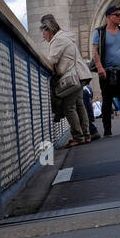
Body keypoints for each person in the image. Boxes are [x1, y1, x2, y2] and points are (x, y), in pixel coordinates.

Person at [40, 14, 93, 147]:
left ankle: (78, 137)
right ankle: (86, 135)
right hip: (79, 75)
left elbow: (52, 60)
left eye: (43, 33)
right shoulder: (65, 37)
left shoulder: (58, 40)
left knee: (69, 107)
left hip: (72, 78)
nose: (43, 37)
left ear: (49, 30)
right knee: (79, 106)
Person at [91, 5, 120, 137]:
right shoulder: (99, 32)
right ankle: (107, 129)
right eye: (117, 14)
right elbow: (95, 51)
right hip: (107, 72)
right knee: (107, 100)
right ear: (109, 17)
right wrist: (99, 67)